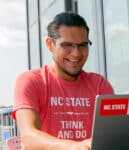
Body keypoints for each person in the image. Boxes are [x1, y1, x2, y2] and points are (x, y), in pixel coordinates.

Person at [12, 12, 114, 150]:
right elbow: (29, 137)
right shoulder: (31, 81)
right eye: (67, 45)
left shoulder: (99, 85)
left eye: (83, 45)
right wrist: (75, 147)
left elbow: (112, 134)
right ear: (50, 44)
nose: (76, 53)